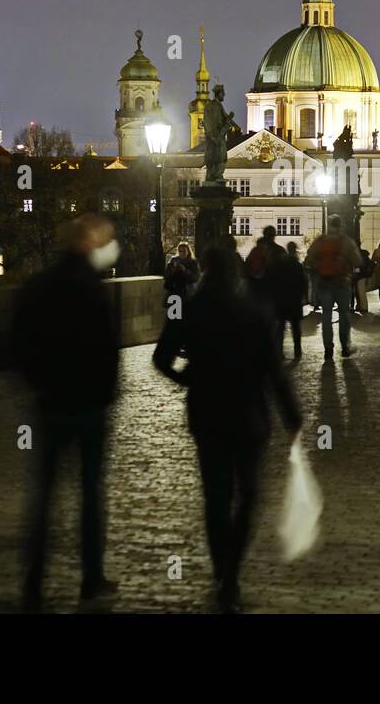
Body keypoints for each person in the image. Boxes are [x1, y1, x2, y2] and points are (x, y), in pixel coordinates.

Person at [153, 245, 303, 612]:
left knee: (216, 497)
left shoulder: (190, 309)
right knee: (248, 495)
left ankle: (222, 569)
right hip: (248, 416)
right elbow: (273, 369)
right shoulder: (252, 311)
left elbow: (161, 359)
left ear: (204, 270)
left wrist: (187, 380)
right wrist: (291, 414)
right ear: (235, 274)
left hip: (207, 414)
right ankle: (231, 570)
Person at [14, 214, 122, 611]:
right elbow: (107, 348)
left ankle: (33, 583)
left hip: (50, 402)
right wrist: (105, 392)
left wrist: (40, 383)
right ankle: (91, 578)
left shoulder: (39, 284)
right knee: (90, 494)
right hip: (88, 406)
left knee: (43, 496)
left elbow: (17, 342)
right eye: (104, 240)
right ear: (89, 243)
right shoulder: (92, 288)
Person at [303, 215, 362, 360]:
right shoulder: (346, 241)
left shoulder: (320, 241)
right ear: (341, 225)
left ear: (328, 225)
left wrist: (319, 267)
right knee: (344, 315)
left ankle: (328, 349)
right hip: (342, 283)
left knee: (326, 317)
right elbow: (358, 260)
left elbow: (308, 260)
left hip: (324, 283)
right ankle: (345, 346)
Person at [270, 241, 308, 359]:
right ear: (294, 250)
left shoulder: (279, 263)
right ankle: (297, 350)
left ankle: (280, 351)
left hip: (281, 298)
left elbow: (274, 280)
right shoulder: (297, 264)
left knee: (281, 327)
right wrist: (304, 296)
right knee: (295, 327)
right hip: (294, 298)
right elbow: (303, 282)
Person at [164, 242, 200, 309]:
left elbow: (196, 277)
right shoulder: (173, 260)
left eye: (184, 251)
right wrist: (172, 270)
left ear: (188, 251)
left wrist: (185, 271)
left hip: (187, 293)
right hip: (174, 292)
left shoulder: (193, 262)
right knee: (174, 316)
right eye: (180, 251)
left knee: (186, 315)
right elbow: (167, 276)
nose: (182, 253)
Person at [353, 249, 374, 314]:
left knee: (361, 293)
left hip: (360, 277)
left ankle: (364, 308)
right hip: (366, 277)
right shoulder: (368, 260)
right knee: (362, 293)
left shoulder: (360, 261)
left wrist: (355, 274)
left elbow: (357, 270)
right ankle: (362, 306)